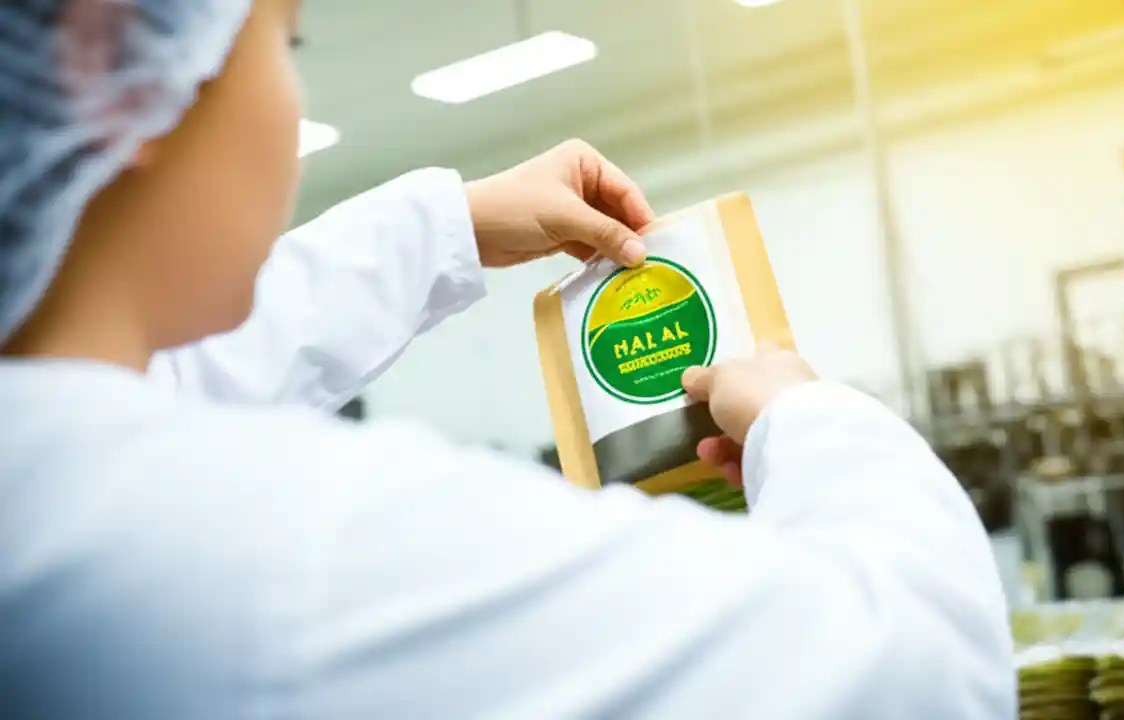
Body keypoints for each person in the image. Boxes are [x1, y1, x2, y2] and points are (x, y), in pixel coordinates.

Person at [0, 0, 1014, 718]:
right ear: (104, 59)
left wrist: (447, 222)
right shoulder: (281, 555)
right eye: (285, 38)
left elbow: (167, 378)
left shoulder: (48, 488)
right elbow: (913, 669)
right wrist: (809, 418)